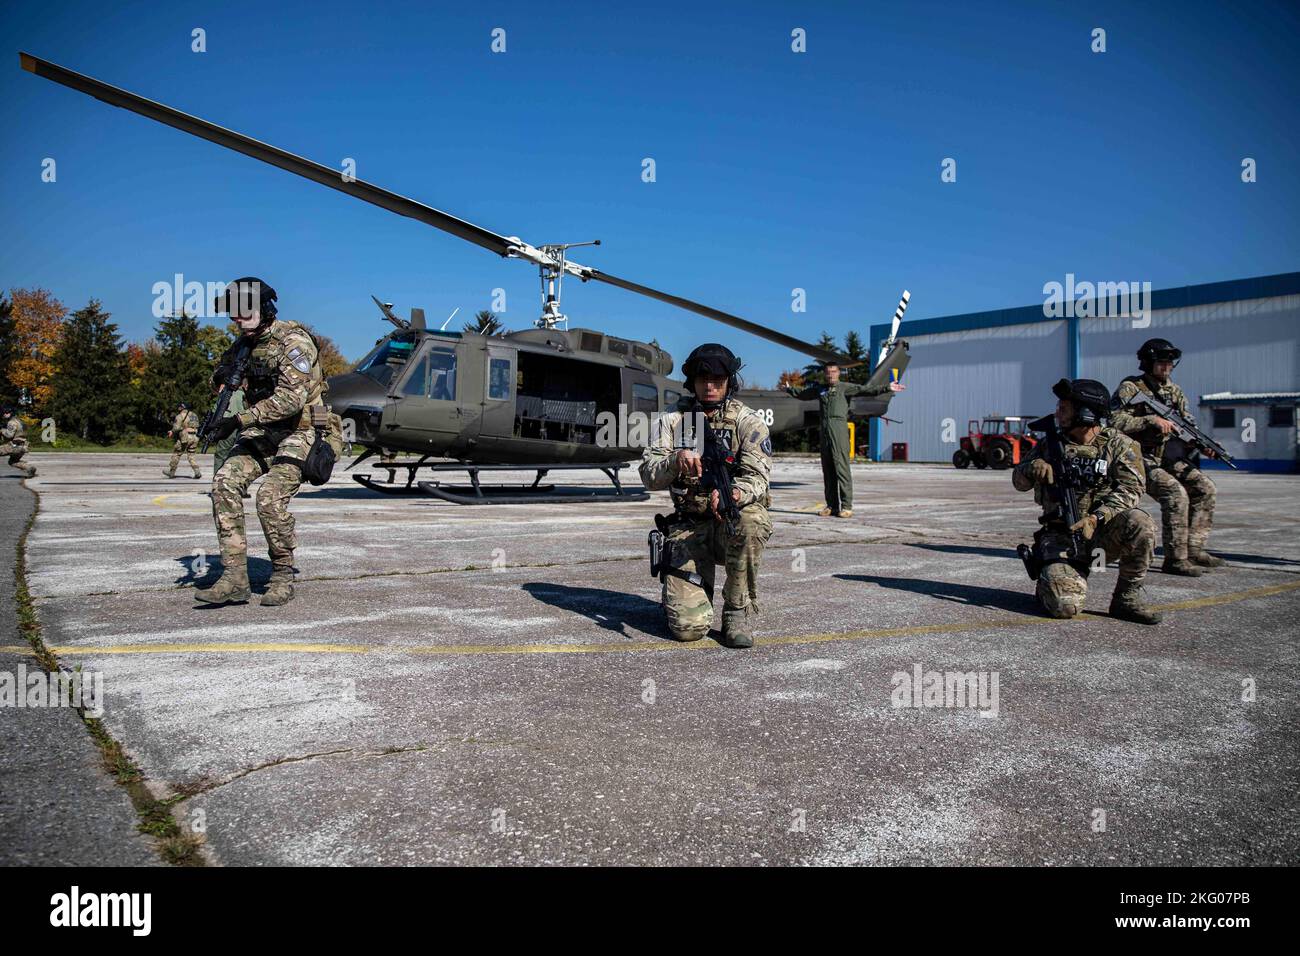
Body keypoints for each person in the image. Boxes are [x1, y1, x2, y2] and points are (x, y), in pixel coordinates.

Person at [196, 278, 324, 607]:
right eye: (232, 314)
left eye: (242, 312)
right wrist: (221, 378)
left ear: (263, 309)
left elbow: (290, 400)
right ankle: (235, 578)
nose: (236, 319)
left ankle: (282, 576)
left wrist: (238, 421)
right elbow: (222, 380)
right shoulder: (244, 344)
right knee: (224, 481)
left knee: (268, 499)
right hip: (264, 433)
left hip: (299, 431)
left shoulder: (293, 342)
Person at [639, 344, 772, 648]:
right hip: (689, 528)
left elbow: (758, 478)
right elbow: (648, 475)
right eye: (702, 380)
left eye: (718, 380)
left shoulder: (747, 421)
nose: (710, 386)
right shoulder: (672, 419)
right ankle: (695, 589)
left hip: (729, 524)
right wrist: (675, 460)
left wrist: (736, 494)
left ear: (729, 382)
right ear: (692, 382)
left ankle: (735, 612)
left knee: (752, 521)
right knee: (688, 630)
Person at [1012, 378, 1161, 625]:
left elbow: (1133, 488)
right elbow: (1018, 483)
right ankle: (1052, 580)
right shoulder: (1050, 443)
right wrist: (1030, 468)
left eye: (1064, 408)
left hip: (1101, 534)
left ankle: (1126, 599)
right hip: (1061, 537)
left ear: (1086, 412)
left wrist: (1097, 517)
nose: (1057, 412)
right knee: (1065, 607)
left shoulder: (1119, 444)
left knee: (1140, 523)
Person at [1110, 338, 1222, 575]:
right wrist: (1149, 420)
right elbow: (1112, 421)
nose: (1167, 367)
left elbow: (1187, 426)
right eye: (1162, 362)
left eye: (1170, 362)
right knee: (1175, 493)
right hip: (1140, 459)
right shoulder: (1131, 388)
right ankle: (1176, 559)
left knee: (1206, 488)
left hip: (1168, 457)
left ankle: (1193, 550)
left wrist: (1204, 445)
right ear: (1148, 363)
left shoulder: (1174, 390)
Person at [786, 361, 904, 517]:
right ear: (825, 373)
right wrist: (789, 390)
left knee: (841, 469)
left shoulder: (845, 388)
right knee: (828, 470)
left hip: (839, 429)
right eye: (828, 372)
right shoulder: (821, 389)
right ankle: (832, 506)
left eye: (834, 371)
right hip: (825, 430)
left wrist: (887, 387)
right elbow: (804, 394)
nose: (831, 374)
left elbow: (866, 390)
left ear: (838, 373)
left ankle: (847, 506)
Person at [210, 387, 246, 477]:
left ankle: (218, 480)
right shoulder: (244, 394)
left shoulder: (226, 394)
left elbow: (216, 411)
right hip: (244, 426)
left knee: (221, 455)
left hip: (228, 428)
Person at [163, 402, 202, 479]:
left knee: (177, 453)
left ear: (182, 408)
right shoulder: (194, 415)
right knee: (191, 455)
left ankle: (171, 472)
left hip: (185, 437)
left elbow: (176, 428)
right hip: (195, 437)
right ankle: (197, 471)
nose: (178, 408)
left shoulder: (180, 416)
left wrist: (172, 431)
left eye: (179, 407)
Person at [1, 407, 37, 478]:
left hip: (14, 446)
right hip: (23, 446)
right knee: (13, 462)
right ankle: (29, 468)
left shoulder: (11, 422)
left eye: (6, 413)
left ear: (10, 413)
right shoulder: (20, 421)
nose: (4, 414)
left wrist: (2, 431)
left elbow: (9, 435)